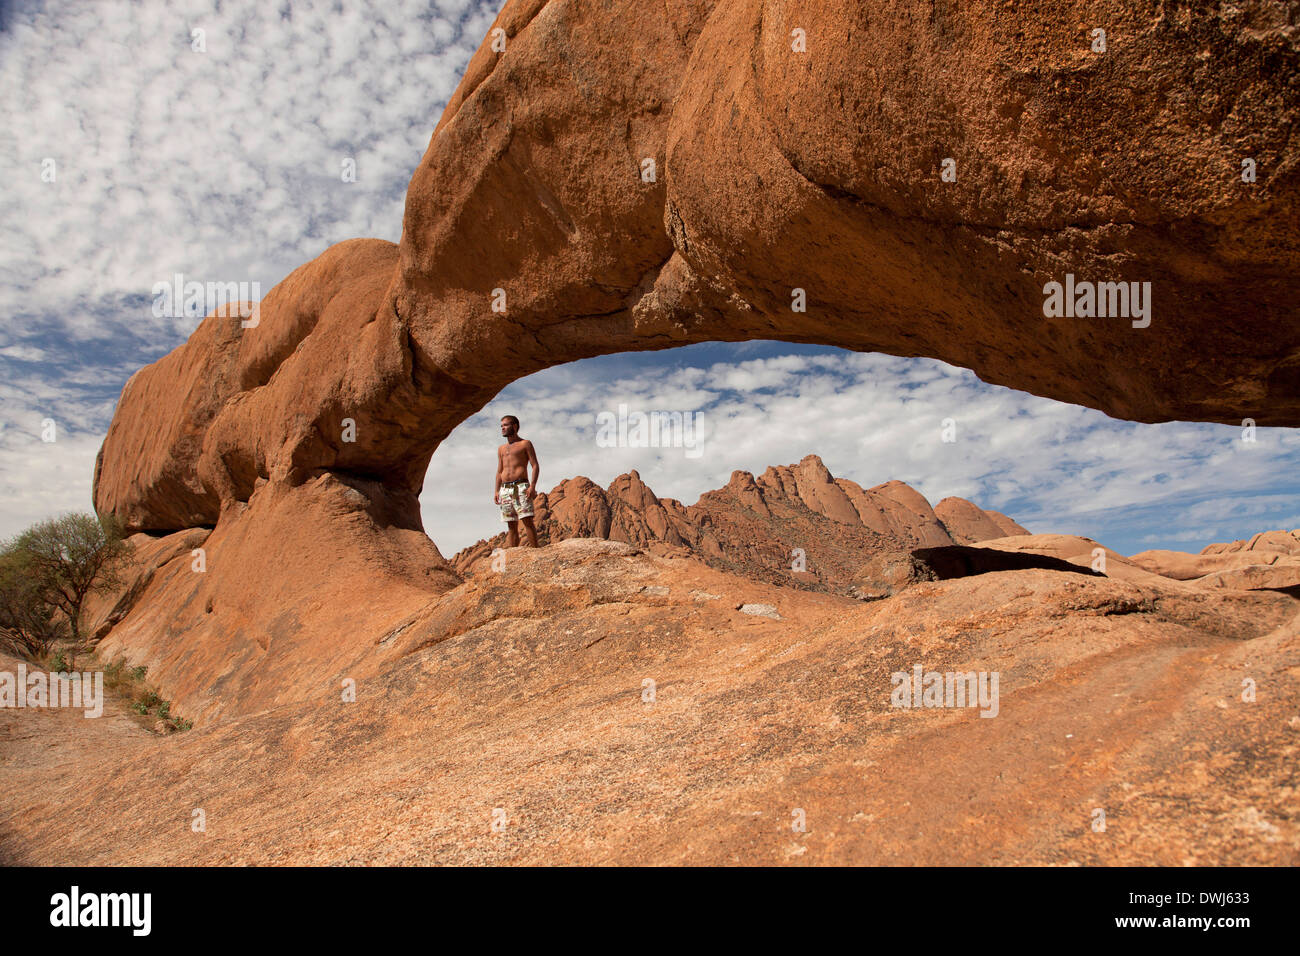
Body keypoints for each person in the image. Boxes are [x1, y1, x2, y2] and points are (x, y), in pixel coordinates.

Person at [494, 414, 540, 547]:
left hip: (521, 486)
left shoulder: (525, 444)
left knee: (527, 521)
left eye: (506, 425)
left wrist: (532, 486)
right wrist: (496, 491)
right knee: (511, 524)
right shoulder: (501, 449)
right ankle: (513, 557)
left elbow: (535, 465)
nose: (502, 428)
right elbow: (499, 471)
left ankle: (536, 552)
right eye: (501, 426)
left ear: (514, 426)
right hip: (505, 488)